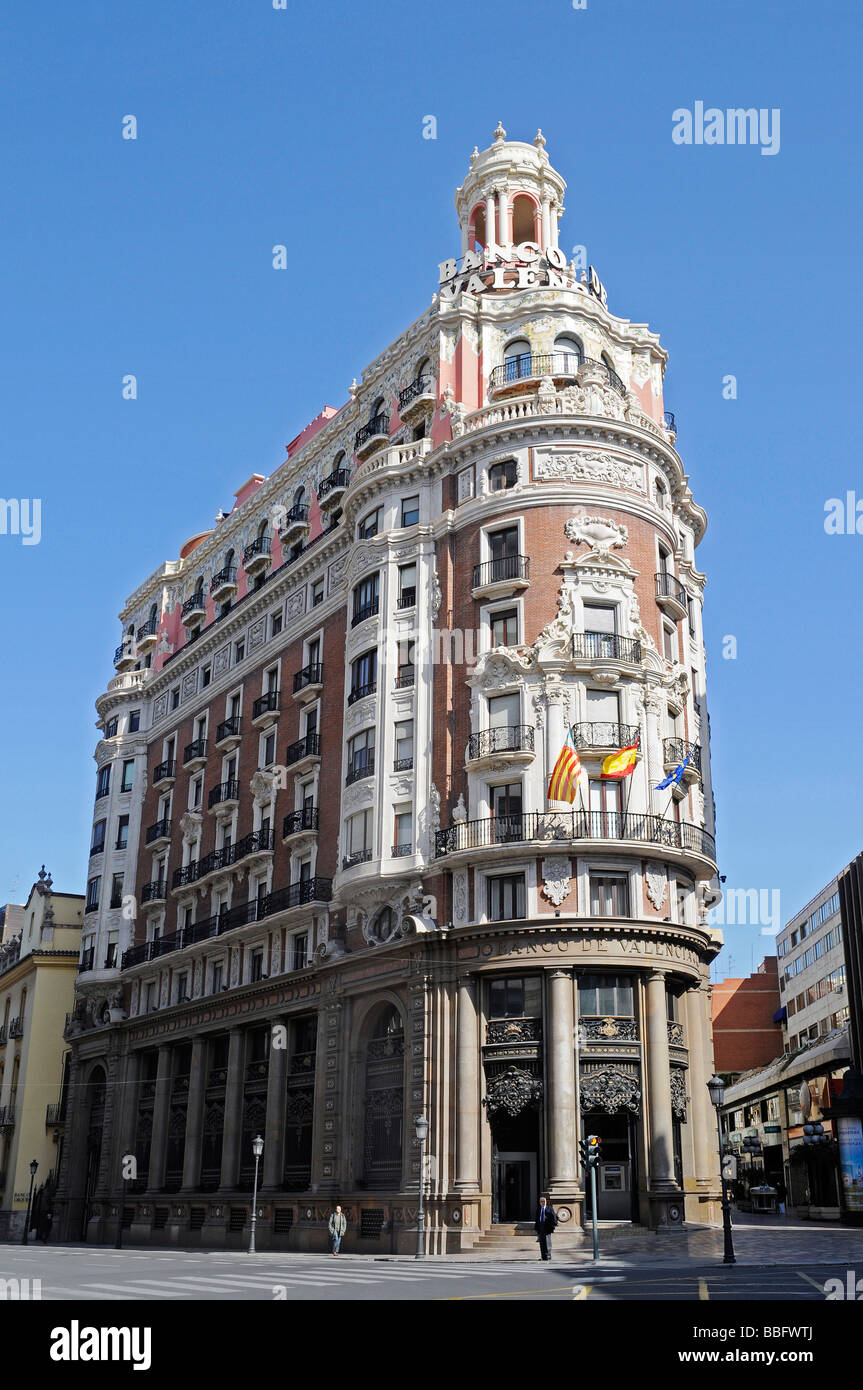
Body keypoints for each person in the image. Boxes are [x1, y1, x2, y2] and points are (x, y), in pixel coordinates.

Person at [534, 1195, 557, 1261]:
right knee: (542, 1242)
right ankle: (543, 1256)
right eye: (541, 1201)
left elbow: (554, 1218)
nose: (542, 1202)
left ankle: (548, 1256)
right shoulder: (539, 1209)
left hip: (547, 1227)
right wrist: (536, 1228)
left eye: (543, 1201)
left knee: (547, 1242)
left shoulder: (549, 1208)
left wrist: (552, 1226)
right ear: (539, 1202)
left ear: (546, 1202)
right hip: (540, 1227)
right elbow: (537, 1219)